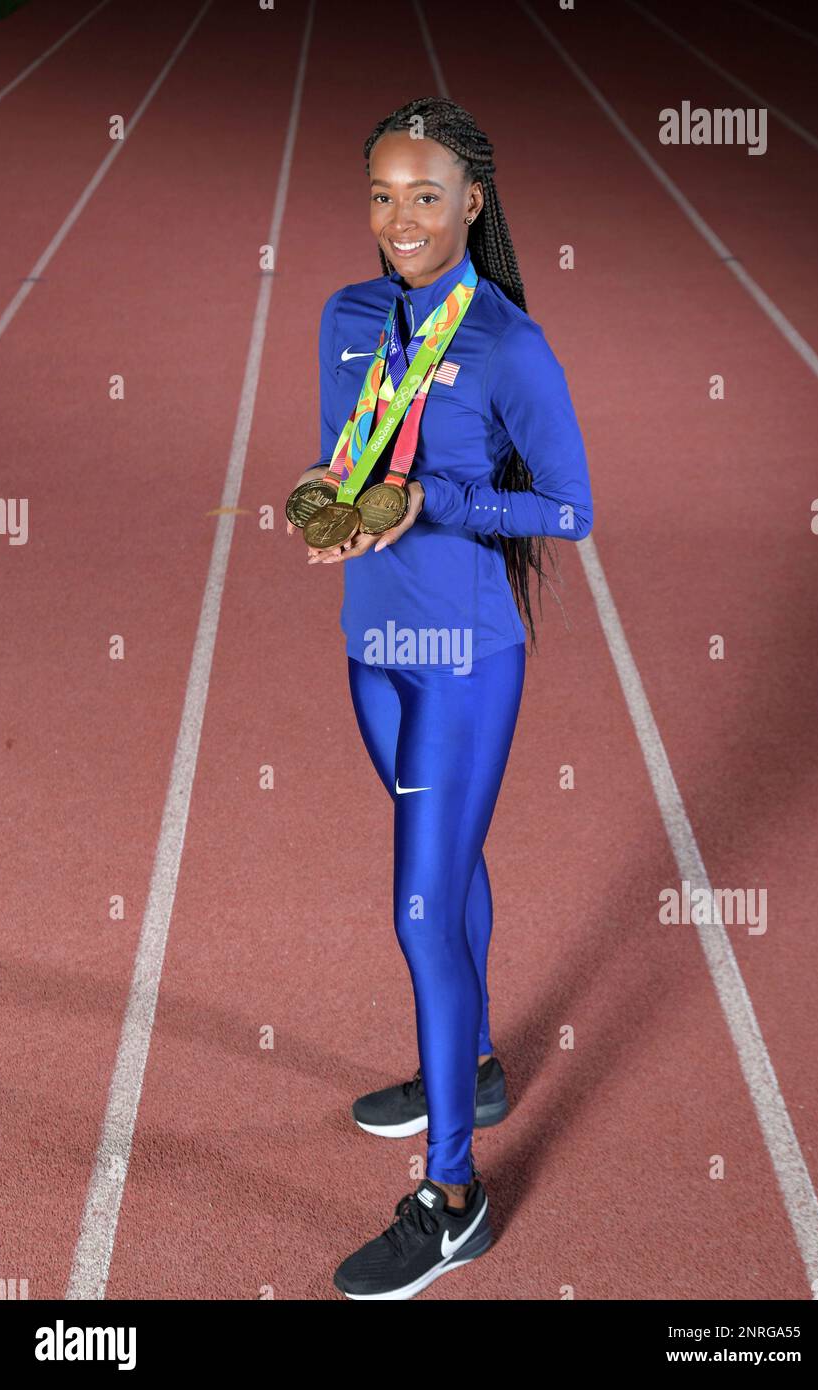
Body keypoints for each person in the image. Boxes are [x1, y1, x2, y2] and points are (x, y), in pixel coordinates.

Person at [286, 96, 593, 1300]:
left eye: (426, 195)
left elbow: (567, 510)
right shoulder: (346, 317)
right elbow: (345, 451)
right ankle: (465, 1063)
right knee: (447, 869)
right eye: (381, 194)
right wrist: (330, 493)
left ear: (473, 203)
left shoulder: (508, 345)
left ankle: (452, 1198)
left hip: (466, 654)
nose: (400, 218)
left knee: (419, 910)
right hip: (376, 647)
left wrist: (439, 505)